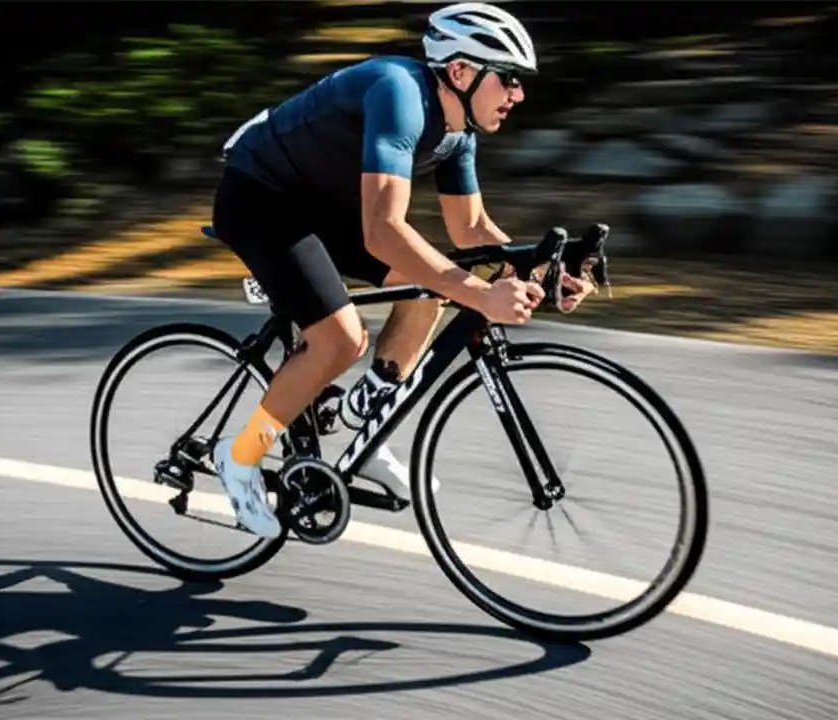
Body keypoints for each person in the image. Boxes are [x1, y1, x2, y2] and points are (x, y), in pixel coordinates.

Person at [207, 2, 595, 538]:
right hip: (261, 197)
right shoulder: (400, 95)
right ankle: (240, 457)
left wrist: (542, 270)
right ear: (459, 71)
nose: (518, 95)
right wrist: (481, 296)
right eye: (508, 79)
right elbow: (383, 231)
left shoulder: (459, 130)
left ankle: (364, 431)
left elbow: (473, 230)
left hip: (323, 205)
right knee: (340, 340)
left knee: (425, 291)